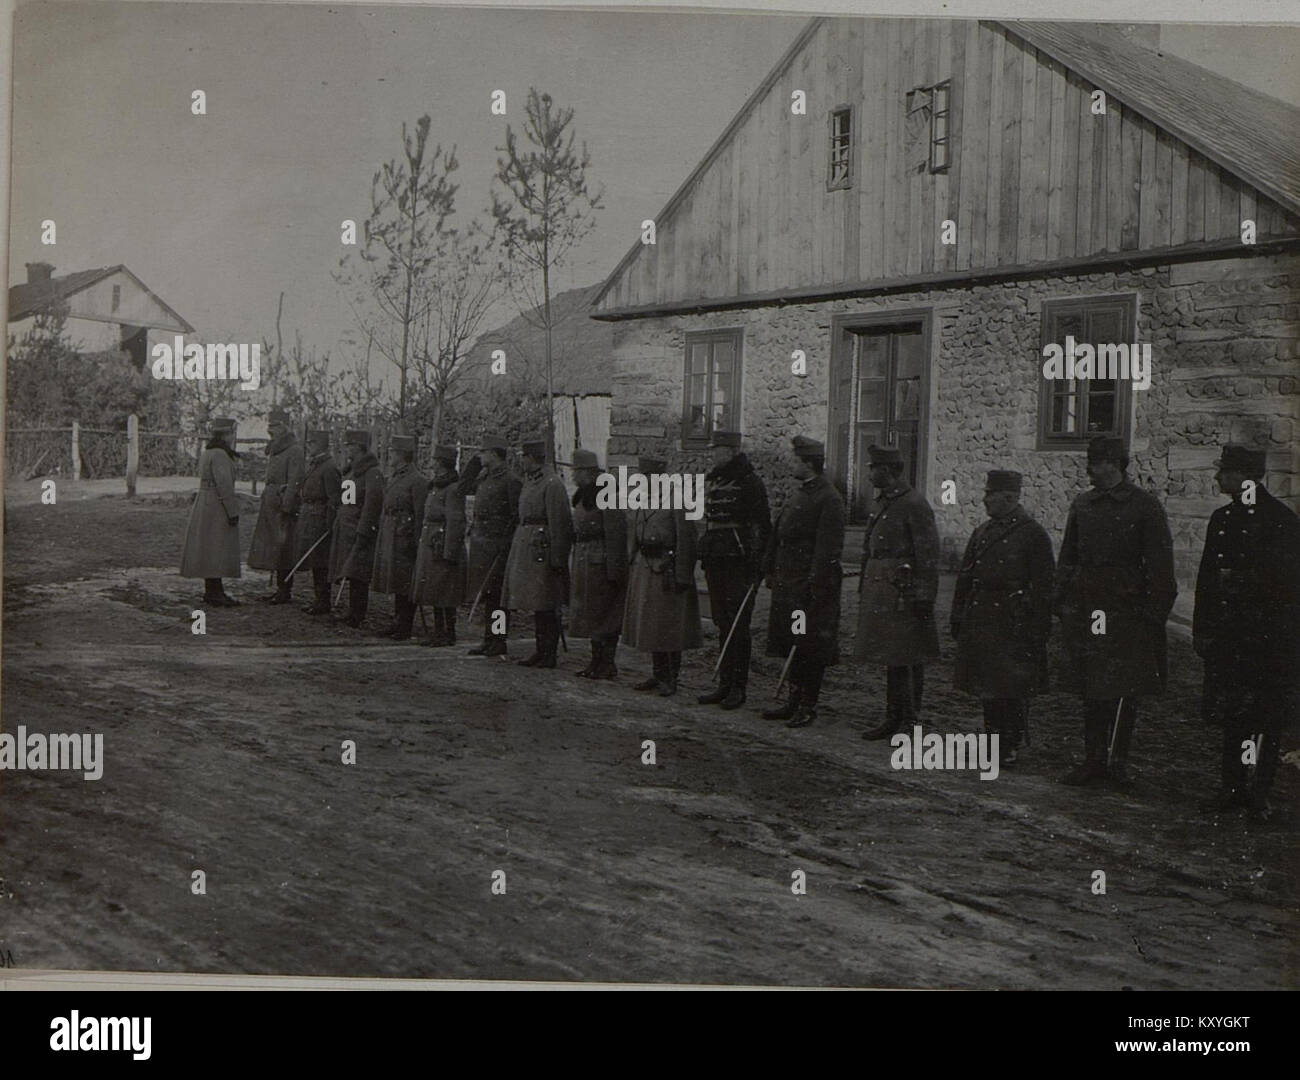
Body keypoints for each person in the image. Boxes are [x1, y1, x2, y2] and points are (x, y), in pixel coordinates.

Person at [1055, 435, 1177, 787]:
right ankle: (1093, 760)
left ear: (1112, 463)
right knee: (1092, 684)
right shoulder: (1083, 505)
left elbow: (1161, 568)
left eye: (1094, 461)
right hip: (1090, 611)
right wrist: (1060, 603)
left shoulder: (1145, 506)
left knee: (1124, 689)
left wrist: (1154, 615)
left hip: (1128, 614)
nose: (1088, 468)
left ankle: (1116, 763)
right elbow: (1068, 558)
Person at [1194, 444, 1300, 821]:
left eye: (1224, 471)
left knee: (1267, 719)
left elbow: (1289, 587)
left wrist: (1244, 582)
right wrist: (1202, 631)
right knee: (1233, 716)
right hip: (1230, 638)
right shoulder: (1221, 518)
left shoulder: (1280, 522)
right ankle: (1232, 787)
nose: (1218, 477)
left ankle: (1259, 793)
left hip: (1267, 640)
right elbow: (1206, 581)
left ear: (1245, 476)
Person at [951, 470, 1055, 767]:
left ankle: (1009, 744)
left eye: (989, 494)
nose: (984, 499)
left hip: (1013, 620)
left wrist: (1037, 627)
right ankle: (991, 741)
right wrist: (958, 616)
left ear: (1009, 497)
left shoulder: (1032, 534)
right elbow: (965, 577)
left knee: (1010, 686)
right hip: (982, 616)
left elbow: (1045, 586)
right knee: (986, 684)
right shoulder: (982, 531)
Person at [855, 444, 940, 740]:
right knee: (892, 656)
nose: (869, 473)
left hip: (904, 591)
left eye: (873, 468)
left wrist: (924, 595)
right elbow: (870, 547)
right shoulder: (884, 502)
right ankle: (893, 717)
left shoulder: (914, 504)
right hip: (883, 589)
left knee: (907, 656)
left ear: (888, 471)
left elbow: (927, 554)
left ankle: (910, 720)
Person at [761, 436, 845, 728]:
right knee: (793, 641)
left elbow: (827, 549)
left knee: (810, 647)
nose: (792, 465)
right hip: (790, 584)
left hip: (810, 587)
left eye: (796, 460)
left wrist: (815, 587)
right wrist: (769, 568)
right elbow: (778, 533)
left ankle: (808, 705)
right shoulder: (801, 493)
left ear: (809, 464)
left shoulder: (829, 498)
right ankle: (793, 700)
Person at [697, 430, 771, 711]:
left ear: (731, 451)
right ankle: (724, 684)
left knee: (738, 625)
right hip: (716, 559)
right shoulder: (716, 480)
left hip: (738, 563)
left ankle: (738, 688)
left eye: (718, 449)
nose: (714, 454)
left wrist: (757, 566)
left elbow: (762, 527)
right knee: (722, 622)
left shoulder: (750, 482)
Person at [623, 451, 703, 696]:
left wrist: (682, 575)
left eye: (647, 476)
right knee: (652, 624)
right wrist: (631, 560)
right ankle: (657, 674)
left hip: (666, 569)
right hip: (645, 566)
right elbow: (634, 532)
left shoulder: (677, 499)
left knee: (669, 625)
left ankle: (671, 677)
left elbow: (687, 540)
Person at [502, 434, 573, 668]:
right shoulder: (531, 481)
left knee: (546, 602)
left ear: (533, 458)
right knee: (536, 602)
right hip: (527, 546)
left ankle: (548, 653)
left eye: (524, 456)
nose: (521, 461)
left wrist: (558, 559)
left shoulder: (552, 484)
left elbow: (560, 524)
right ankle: (540, 650)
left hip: (542, 549)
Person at [569, 448, 628, 679]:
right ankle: (595, 662)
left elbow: (616, 534)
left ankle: (607, 664)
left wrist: (615, 571)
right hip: (585, 559)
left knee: (605, 613)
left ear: (588, 472)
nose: (573, 477)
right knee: (591, 612)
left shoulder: (606, 495)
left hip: (601, 561)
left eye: (577, 472)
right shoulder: (585, 494)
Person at [463, 435, 521, 657]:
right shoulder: (485, 477)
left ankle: (499, 640)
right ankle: (489, 639)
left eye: (484, 452)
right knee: (487, 594)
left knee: (498, 596)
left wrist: (506, 545)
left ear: (495, 454)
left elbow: (515, 516)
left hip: (498, 545)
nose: (480, 455)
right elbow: (463, 486)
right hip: (482, 544)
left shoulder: (510, 480)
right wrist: (474, 465)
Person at [371, 433, 429, 641]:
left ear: (403, 454)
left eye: (393, 452)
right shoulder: (396, 476)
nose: (390, 455)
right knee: (396, 579)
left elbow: (420, 513)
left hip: (405, 536)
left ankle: (405, 625)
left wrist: (415, 542)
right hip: (391, 533)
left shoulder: (418, 480)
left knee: (405, 581)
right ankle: (397, 621)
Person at [180, 416, 242, 606]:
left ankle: (213, 589)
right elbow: (224, 486)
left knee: (209, 547)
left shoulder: (208, 452)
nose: (233, 437)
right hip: (216, 504)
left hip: (206, 502)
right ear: (226, 435)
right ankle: (215, 592)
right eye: (231, 433)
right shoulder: (221, 455)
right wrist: (232, 511)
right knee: (216, 547)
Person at [411, 443, 468, 647]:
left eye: (435, 460)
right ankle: (439, 631)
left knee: (446, 591)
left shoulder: (452, 489)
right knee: (436, 590)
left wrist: (450, 552)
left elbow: (456, 521)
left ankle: (448, 632)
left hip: (442, 545)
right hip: (433, 543)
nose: (432, 464)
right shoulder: (437, 486)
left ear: (442, 463)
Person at [247, 407, 305, 604]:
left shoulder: (295, 450)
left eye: (275, 426)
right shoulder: (275, 449)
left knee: (284, 547)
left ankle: (284, 589)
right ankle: (279, 588)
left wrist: (287, 507)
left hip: (282, 504)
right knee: (274, 546)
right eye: (269, 426)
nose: (270, 430)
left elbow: (295, 480)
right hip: (271, 502)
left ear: (285, 427)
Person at [330, 430, 384, 629]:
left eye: (350, 445)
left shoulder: (372, 473)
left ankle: (357, 614)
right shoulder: (351, 472)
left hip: (359, 530)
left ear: (360, 447)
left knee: (358, 573)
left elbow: (372, 505)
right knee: (349, 571)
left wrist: (363, 530)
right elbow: (346, 501)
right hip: (346, 528)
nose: (347, 448)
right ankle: (352, 612)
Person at [295, 428, 343, 615]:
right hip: (310, 515)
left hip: (320, 519)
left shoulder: (329, 467)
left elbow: (334, 499)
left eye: (312, 443)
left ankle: (323, 602)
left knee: (321, 561)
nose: (309, 446)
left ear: (322, 444)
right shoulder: (315, 464)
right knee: (315, 560)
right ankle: (319, 600)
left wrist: (329, 525)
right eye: (309, 443)